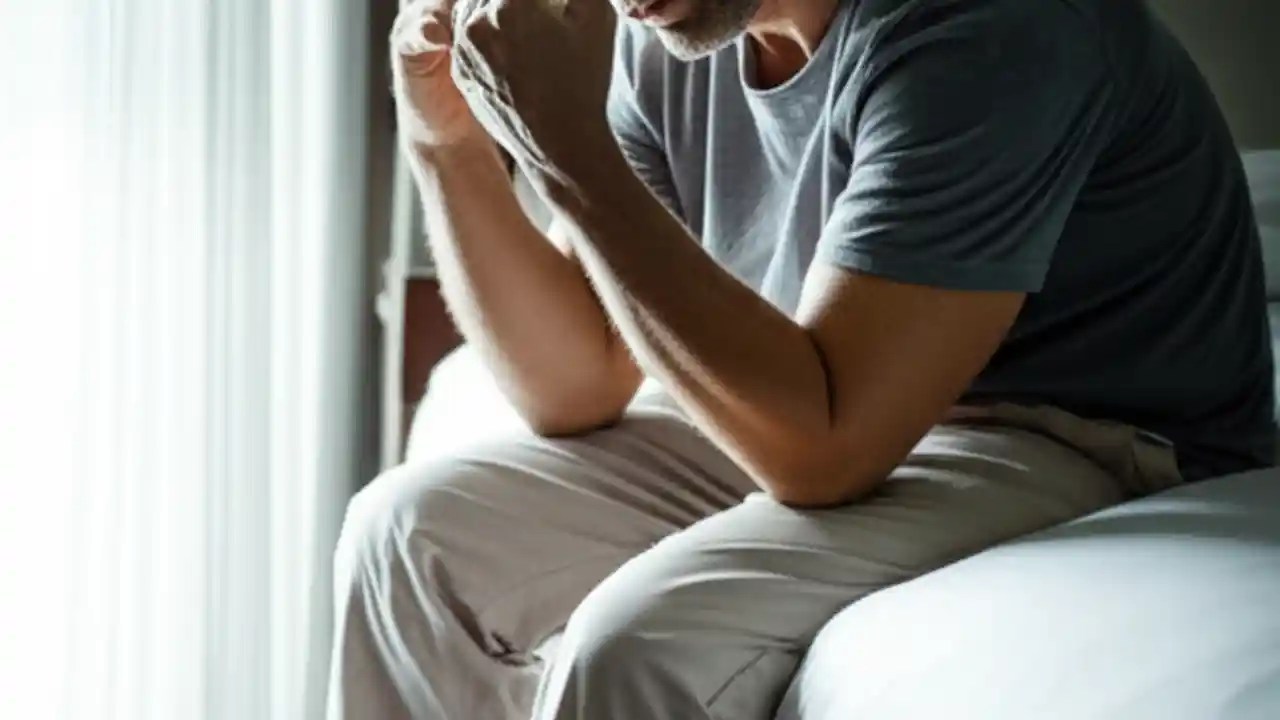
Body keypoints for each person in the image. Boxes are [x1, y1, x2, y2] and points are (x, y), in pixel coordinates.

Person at [328, 0, 1275, 716]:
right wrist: (444, 138)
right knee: (407, 538)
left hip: (1080, 434)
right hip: (817, 389)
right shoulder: (678, 34)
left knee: (643, 641)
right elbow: (577, 380)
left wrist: (567, 144)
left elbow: (824, 452)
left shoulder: (992, 30)